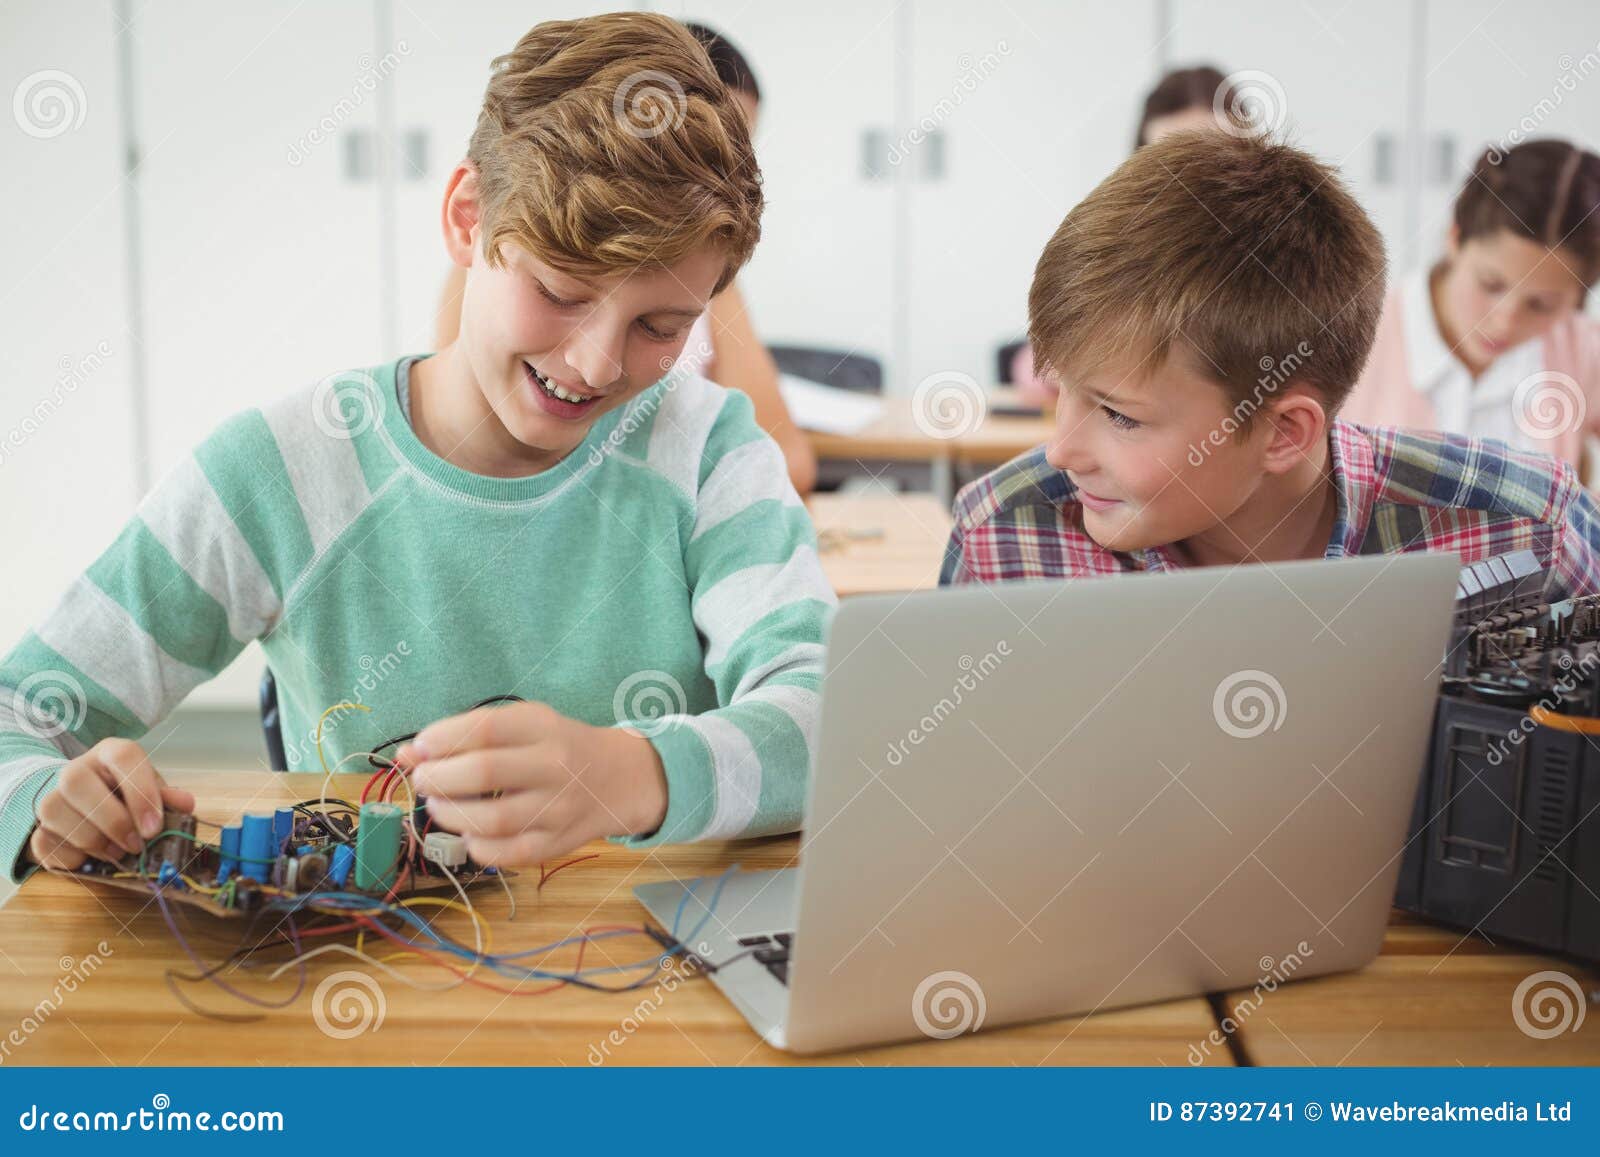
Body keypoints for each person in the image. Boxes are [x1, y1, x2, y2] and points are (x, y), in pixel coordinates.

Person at [2, 13, 834, 883]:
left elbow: (828, 720)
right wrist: (42, 806)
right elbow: (16, 710)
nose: (596, 363)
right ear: (468, 218)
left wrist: (633, 775)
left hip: (656, 979)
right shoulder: (284, 469)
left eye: (661, 326)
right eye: (559, 291)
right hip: (366, 984)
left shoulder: (709, 451)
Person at [942, 131, 1600, 600]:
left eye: (1118, 414)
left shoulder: (1531, 531)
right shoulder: (1002, 538)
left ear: (1285, 432)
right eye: (1067, 391)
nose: (1060, 450)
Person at [434, 23, 816, 493]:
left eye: (735, 157)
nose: (708, 180)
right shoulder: (496, 264)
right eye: (558, 294)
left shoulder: (708, 288)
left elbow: (784, 460)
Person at [1342, 139, 1600, 472]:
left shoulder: (1581, 349)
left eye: (1542, 305)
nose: (1505, 321)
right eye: (1490, 284)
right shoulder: (1352, 335)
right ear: (1455, 238)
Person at [1009, 65, 1240, 405]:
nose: (1188, 179)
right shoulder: (1127, 243)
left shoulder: (1289, 250)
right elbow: (1037, 366)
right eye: (1167, 160)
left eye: (1207, 155)